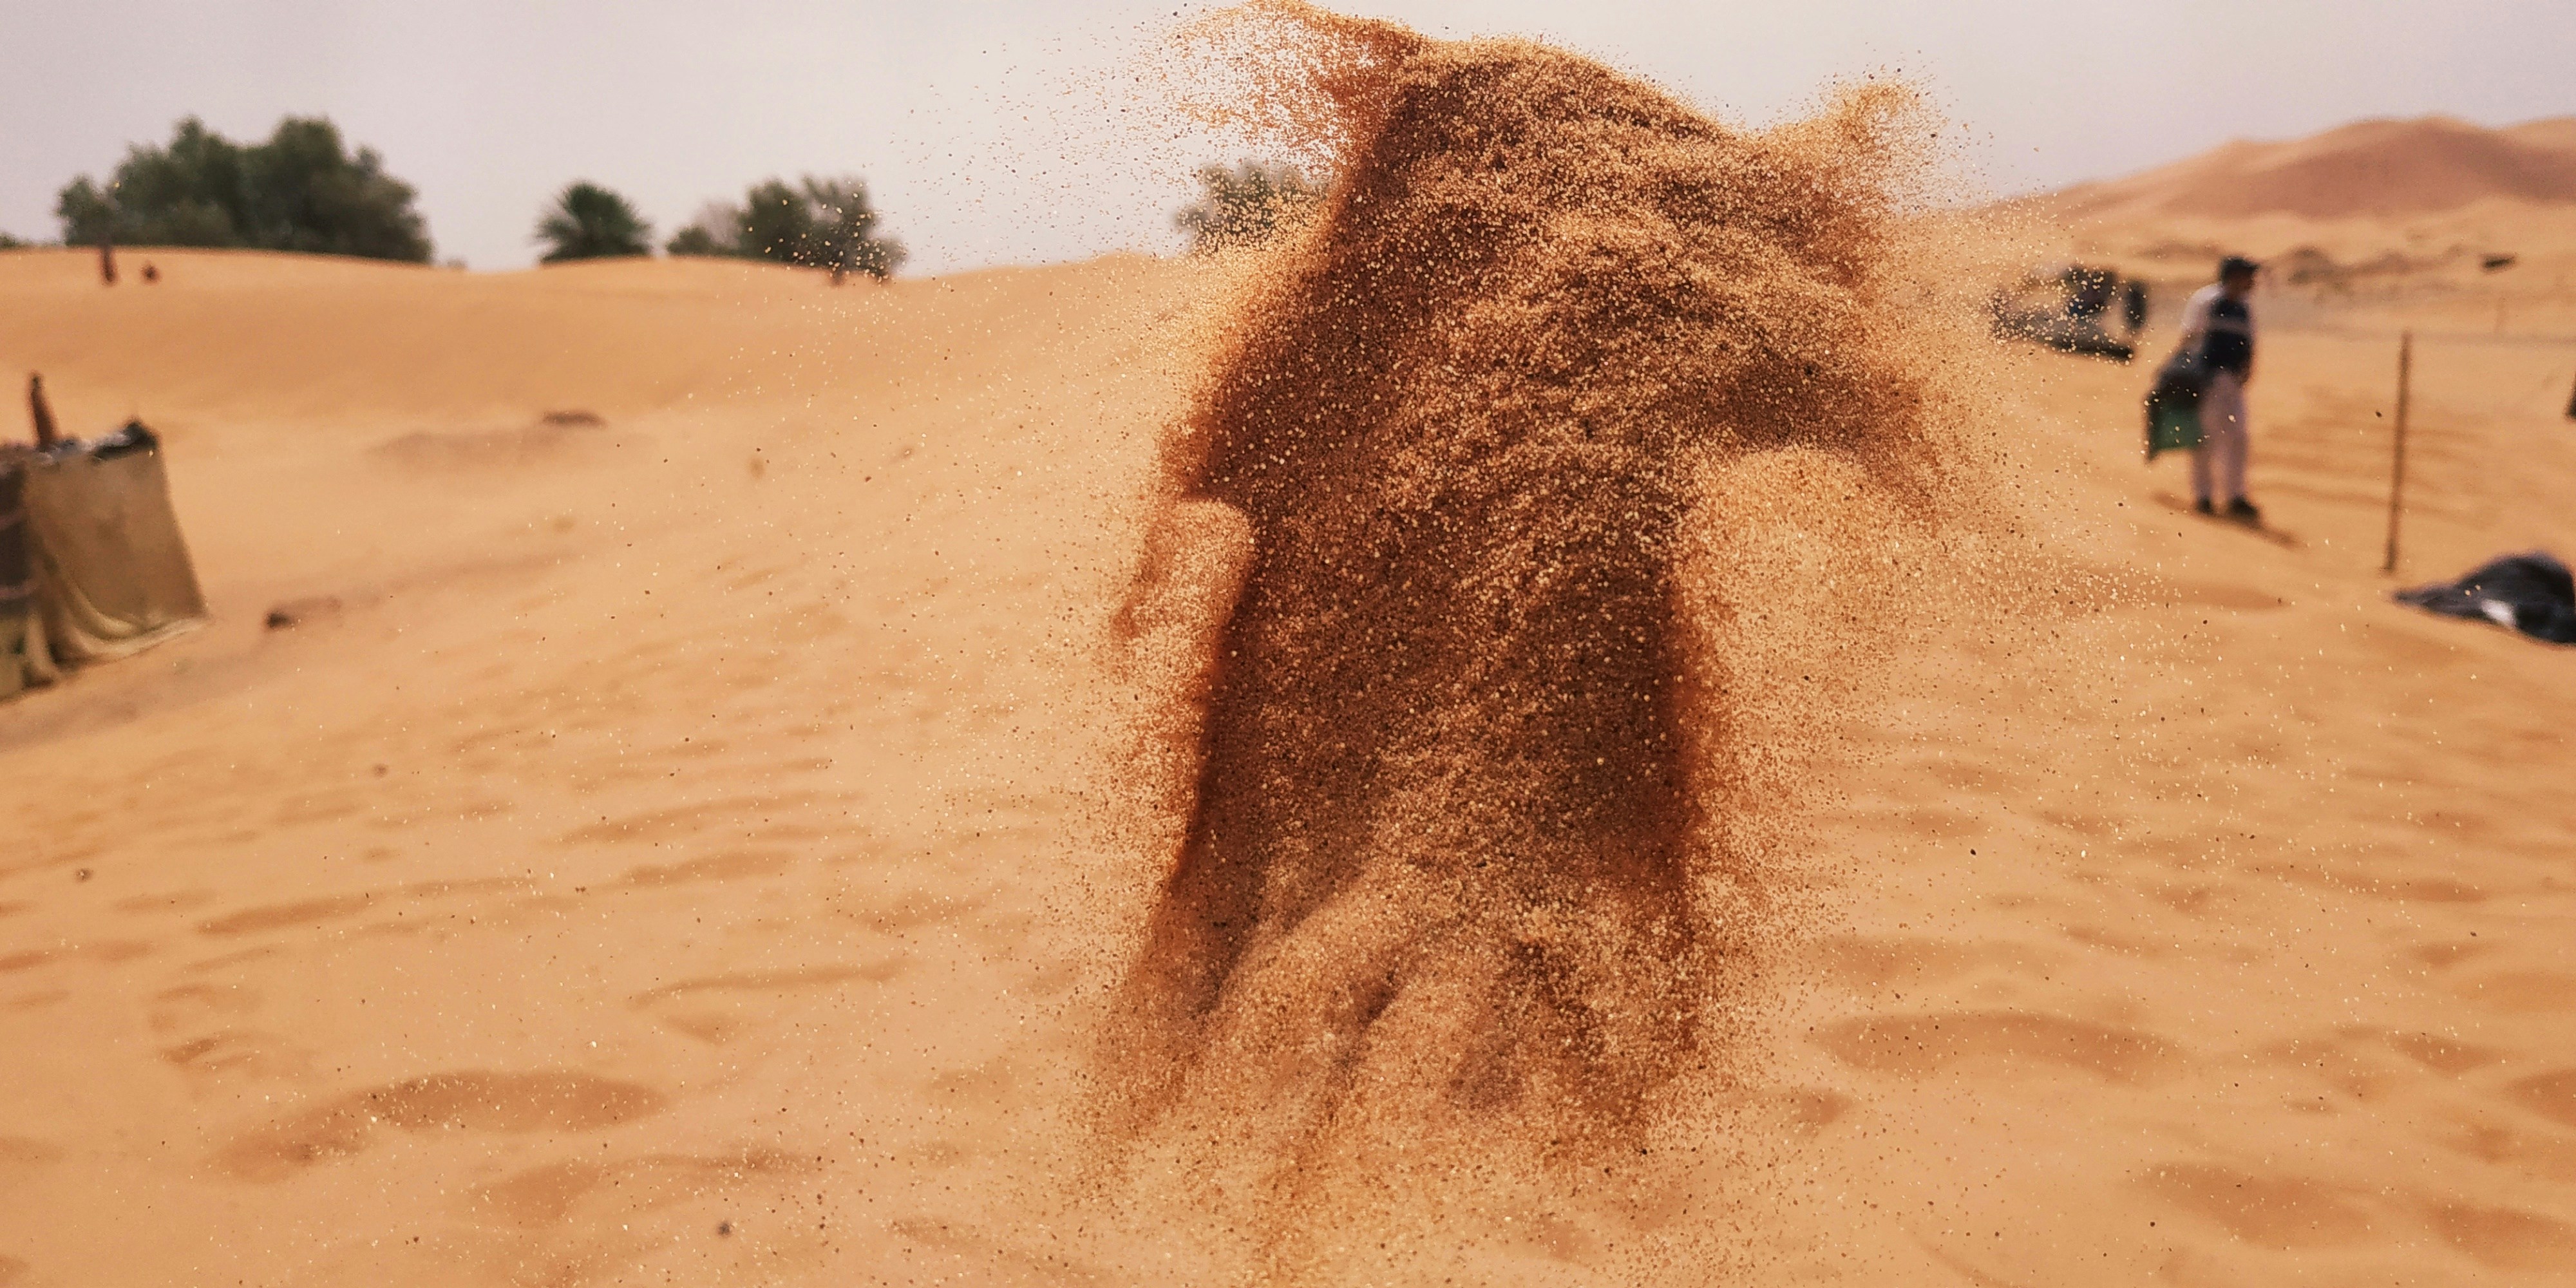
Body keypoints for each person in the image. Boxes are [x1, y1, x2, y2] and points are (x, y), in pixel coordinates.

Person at [2177, 256, 2259, 519]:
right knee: (2205, 438)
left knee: (2238, 439)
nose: (2251, 281)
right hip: (2207, 380)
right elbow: (2189, 337)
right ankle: (2203, 497)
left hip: (2233, 383)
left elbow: (2249, 343)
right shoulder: (2207, 301)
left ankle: (2235, 496)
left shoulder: (2244, 307)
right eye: (2246, 275)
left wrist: (2247, 369)